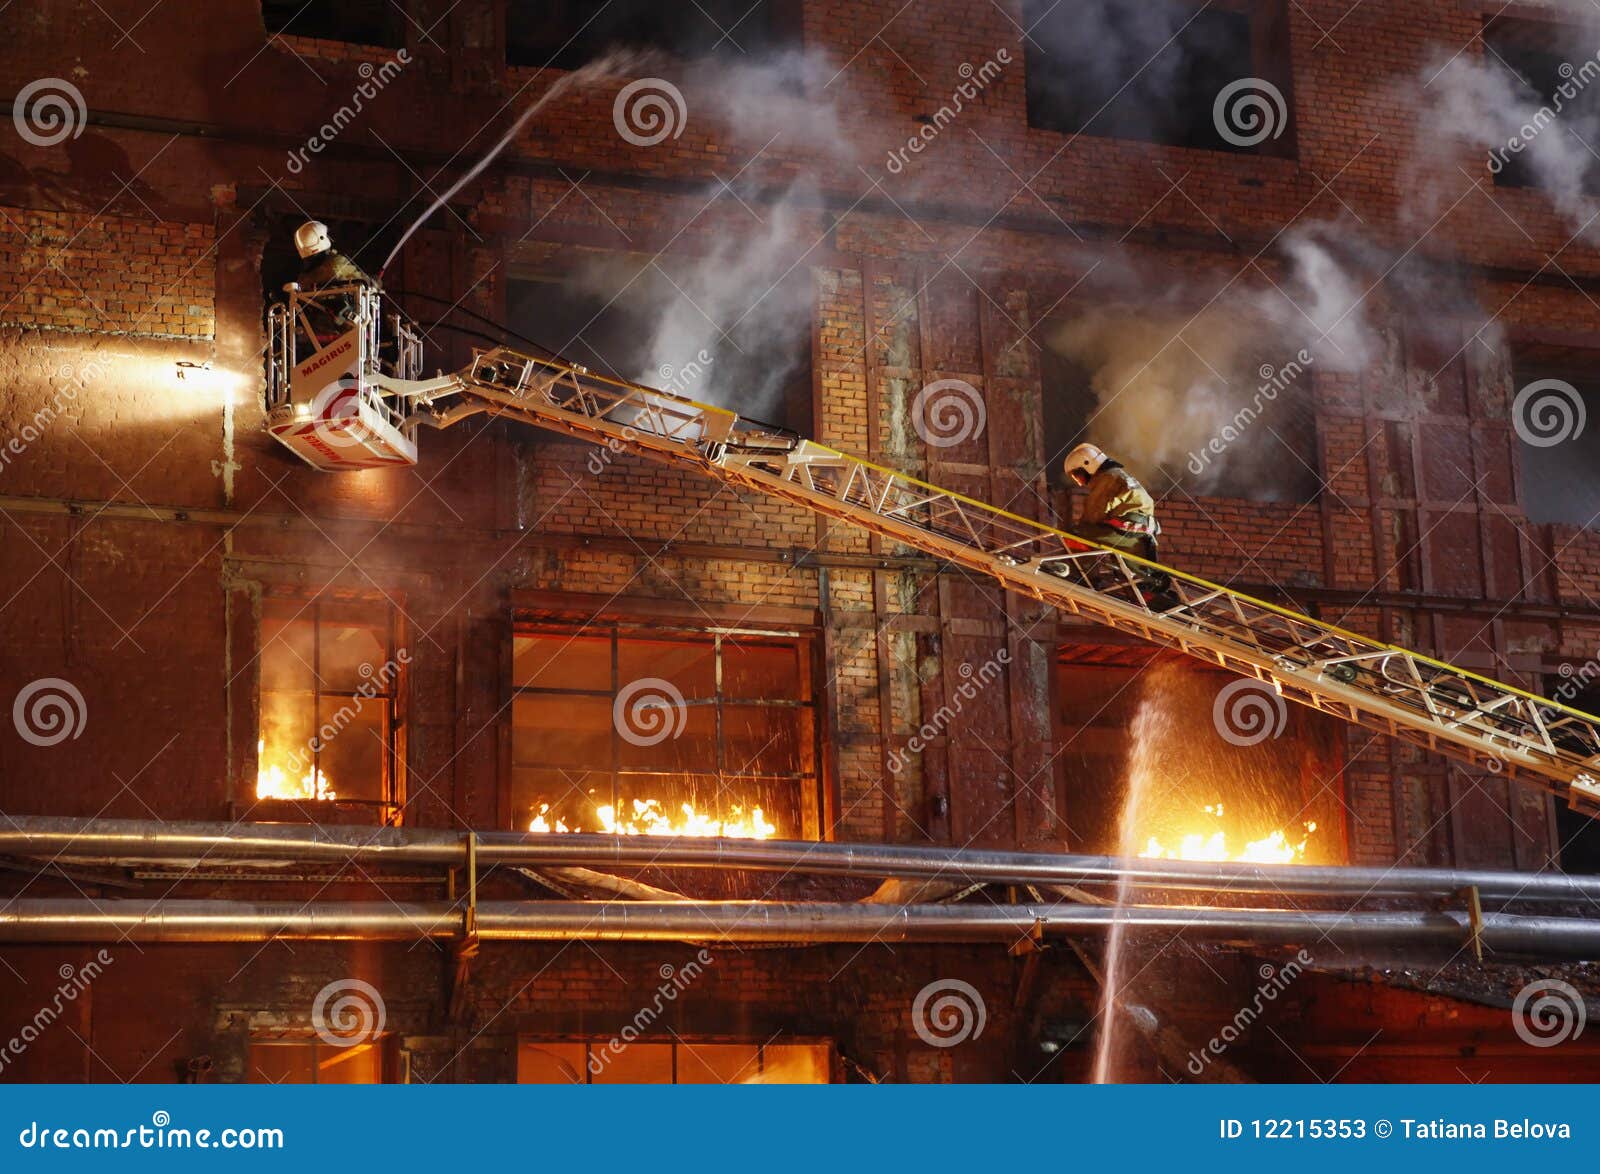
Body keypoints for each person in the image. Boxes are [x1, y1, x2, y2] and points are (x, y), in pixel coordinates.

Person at [1063, 442, 1177, 607]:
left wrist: (1086, 532)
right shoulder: (1119, 476)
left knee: (1076, 534)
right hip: (1140, 532)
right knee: (1130, 576)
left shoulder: (1106, 479)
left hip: (1127, 529)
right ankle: (1159, 602)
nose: (1080, 482)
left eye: (1078, 475)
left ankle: (1083, 578)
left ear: (1088, 464)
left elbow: (1093, 514)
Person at [291, 221, 376, 343]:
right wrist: (375, 282)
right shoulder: (336, 263)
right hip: (348, 332)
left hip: (316, 335)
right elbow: (364, 283)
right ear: (322, 239)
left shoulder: (303, 278)